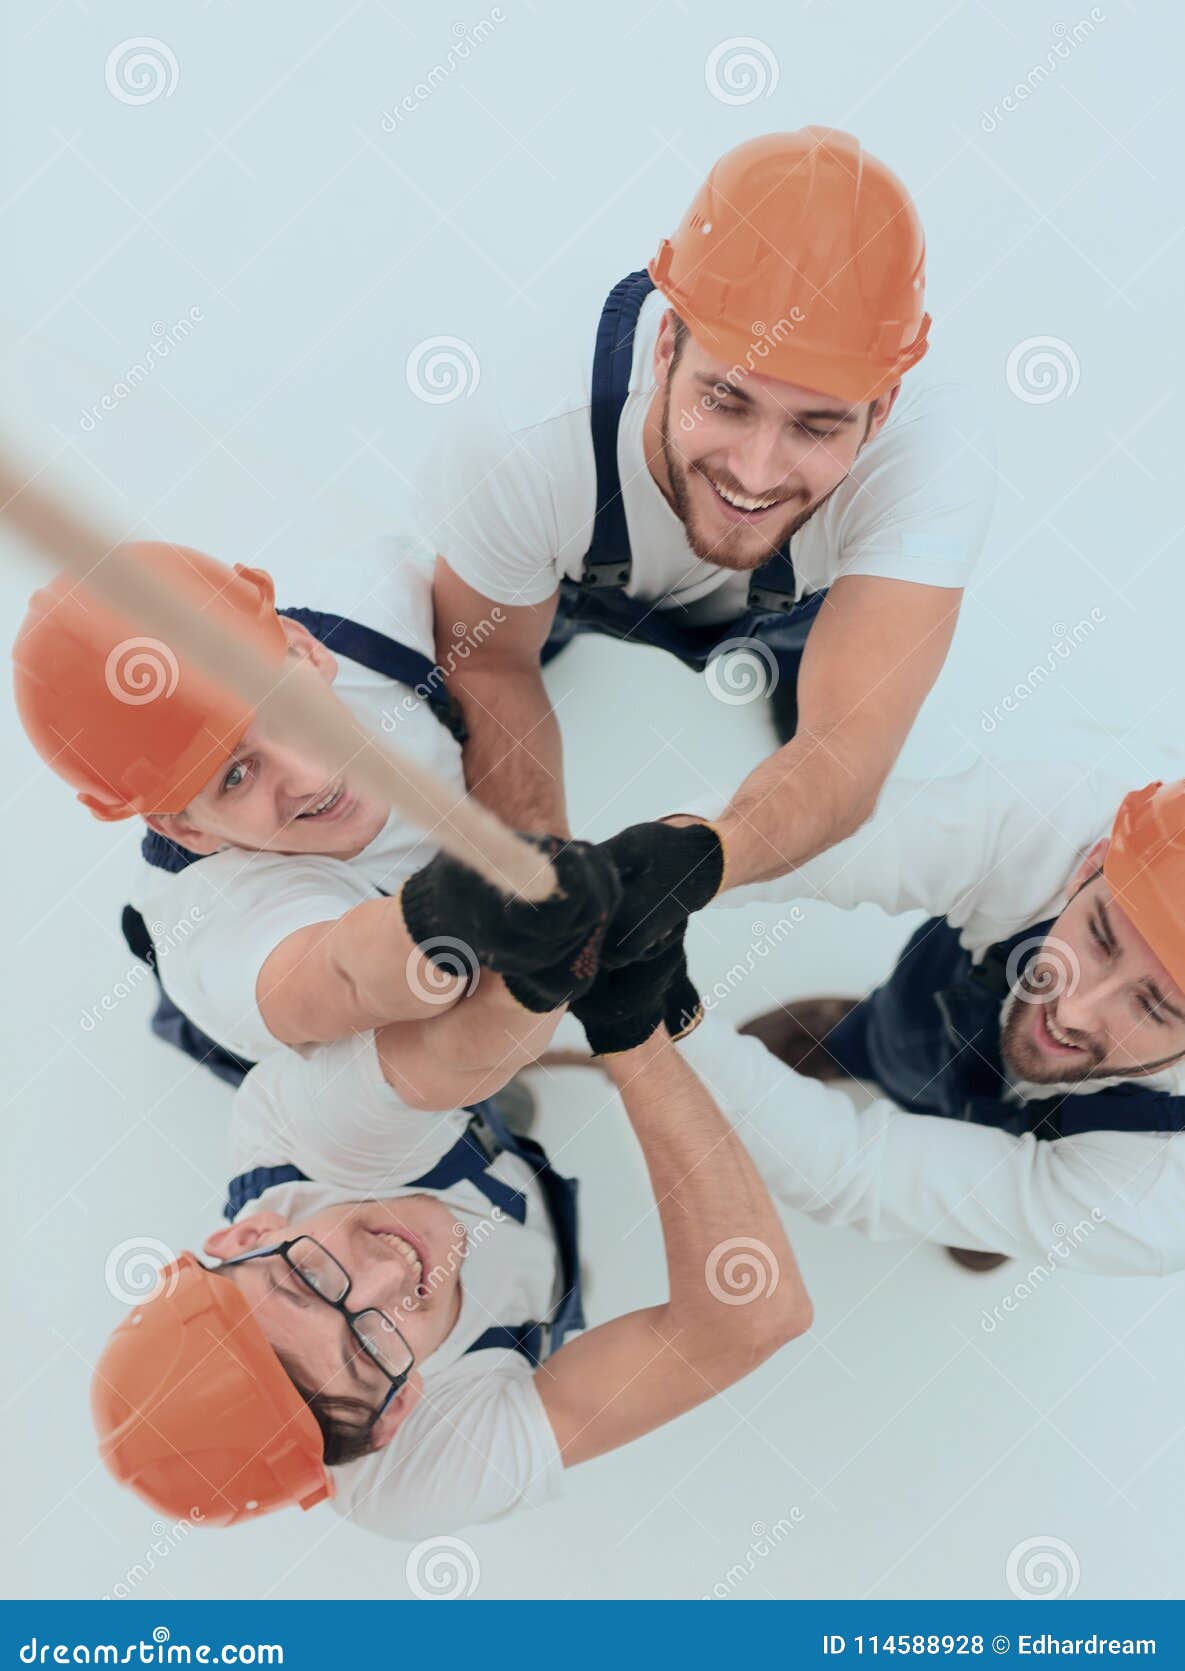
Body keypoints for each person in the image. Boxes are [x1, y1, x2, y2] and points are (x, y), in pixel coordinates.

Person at [420, 127, 995, 935]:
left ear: (884, 409)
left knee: (822, 715)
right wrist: (548, 889)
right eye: (724, 402)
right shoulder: (521, 435)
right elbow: (489, 660)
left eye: (817, 428)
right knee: (471, 684)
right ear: (664, 347)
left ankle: (787, 659)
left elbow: (849, 748)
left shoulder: (934, 461)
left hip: (792, 605)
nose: (756, 474)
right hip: (574, 575)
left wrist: (691, 864)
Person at [89, 936, 812, 1538]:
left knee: (376, 1034)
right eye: (372, 1349)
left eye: (306, 1278)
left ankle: (471, 1104)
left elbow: (513, 986)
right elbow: (751, 1318)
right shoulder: (417, 1478)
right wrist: (632, 1035)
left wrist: (564, 980)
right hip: (472, 1181)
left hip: (402, 1110)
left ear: (250, 1231)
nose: (389, 1273)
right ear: (398, 1413)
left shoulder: (291, 1124)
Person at [12, 539, 618, 1086]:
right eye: (234, 775)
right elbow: (343, 975)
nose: (308, 776)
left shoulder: (376, 608)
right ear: (185, 828)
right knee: (350, 1084)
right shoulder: (217, 933)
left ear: (304, 649)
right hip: (274, 1005)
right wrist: (459, 920)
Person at [686, 756, 1185, 1277]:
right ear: (1090, 866)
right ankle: (859, 1043)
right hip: (943, 1003)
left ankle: (1007, 1206)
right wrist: (670, 867)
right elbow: (833, 838)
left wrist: (673, 1033)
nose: (1074, 1009)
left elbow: (854, 1173)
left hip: (1077, 1150)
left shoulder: (1154, 1198)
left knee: (1004, 1204)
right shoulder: (1059, 821)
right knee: (893, 1039)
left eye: (1151, 1007)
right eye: (1100, 937)